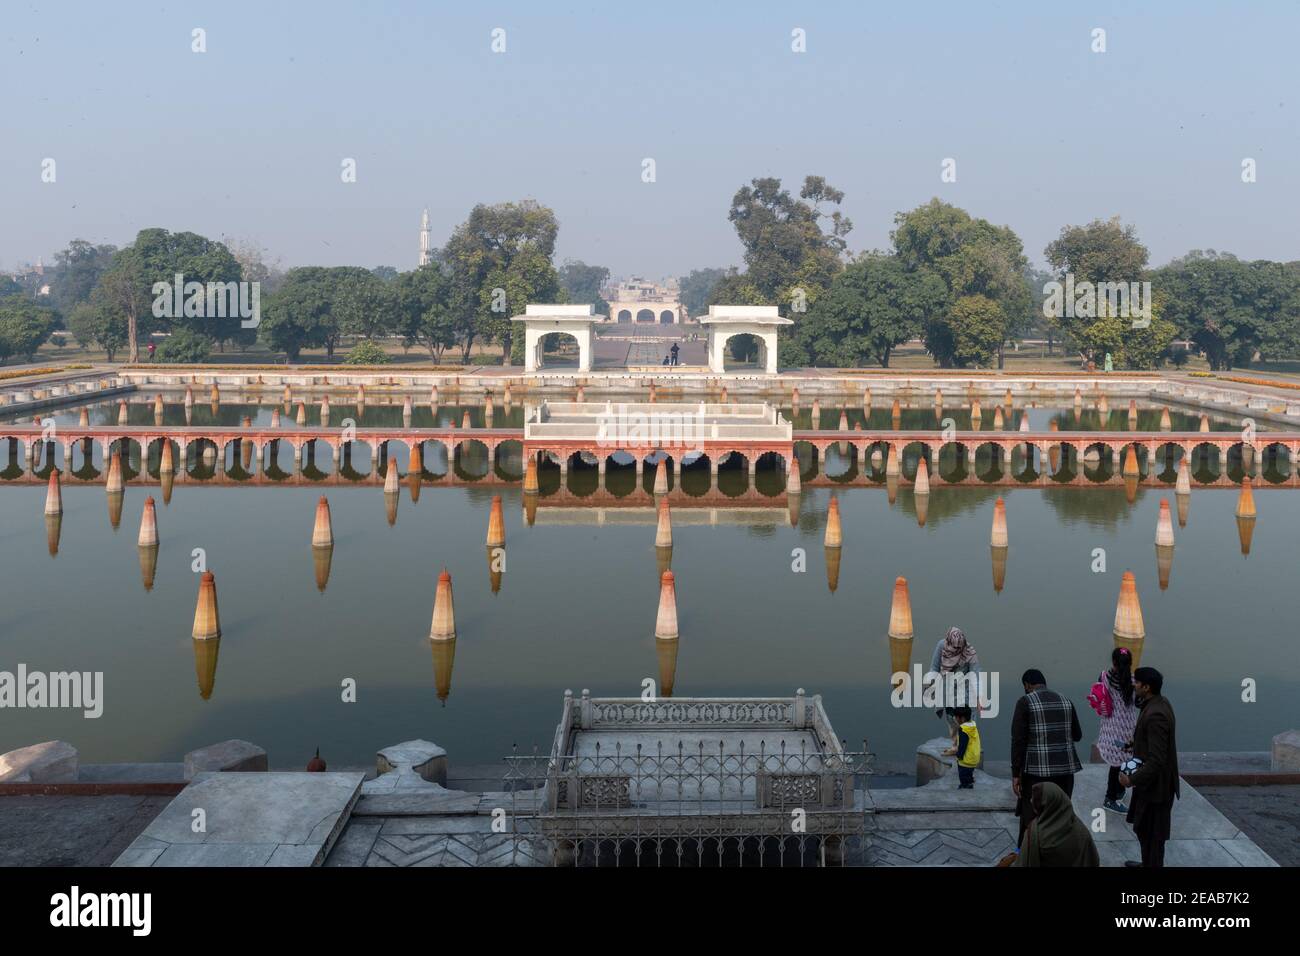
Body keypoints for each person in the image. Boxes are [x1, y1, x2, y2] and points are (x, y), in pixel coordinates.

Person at [1010, 669, 1083, 845]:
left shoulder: (1025, 702)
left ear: (1027, 685)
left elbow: (1018, 741)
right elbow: (1077, 735)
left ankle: (1028, 856)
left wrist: (1015, 774)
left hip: (1036, 774)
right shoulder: (1066, 701)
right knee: (1060, 816)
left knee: (1032, 819)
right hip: (1065, 774)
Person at [1120, 666, 1179, 868]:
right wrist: (1134, 744)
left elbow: (1157, 759)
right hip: (1152, 785)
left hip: (1157, 788)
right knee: (1145, 830)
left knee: (1153, 835)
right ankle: (1147, 864)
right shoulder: (1159, 703)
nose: (1134, 685)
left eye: (1137, 682)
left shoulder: (1156, 715)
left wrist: (1131, 780)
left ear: (1147, 687)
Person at [1012, 782, 1100, 867]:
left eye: (1035, 800)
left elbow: (1023, 863)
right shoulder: (1081, 830)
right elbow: (1093, 860)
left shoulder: (1035, 833)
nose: (1031, 801)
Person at [1094, 647, 1139, 813]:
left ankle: (1114, 794)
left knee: (1115, 764)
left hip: (1110, 728)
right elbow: (1139, 703)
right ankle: (1111, 797)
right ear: (1131, 663)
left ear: (1113, 661)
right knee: (1123, 761)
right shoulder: (1135, 681)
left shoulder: (1104, 677)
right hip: (1128, 728)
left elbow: (1098, 695)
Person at [930, 626, 980, 734]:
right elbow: (934, 667)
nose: (956, 650)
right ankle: (955, 744)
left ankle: (967, 747)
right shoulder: (941, 646)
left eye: (959, 648)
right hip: (948, 689)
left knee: (967, 723)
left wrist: (978, 697)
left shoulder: (969, 652)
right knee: (951, 717)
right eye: (954, 648)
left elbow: (975, 676)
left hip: (965, 691)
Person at [942, 705, 979, 789]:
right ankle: (969, 782)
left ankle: (965, 786)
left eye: (956, 717)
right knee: (969, 773)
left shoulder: (963, 729)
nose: (955, 719)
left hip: (965, 760)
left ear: (962, 718)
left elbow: (963, 744)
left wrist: (959, 756)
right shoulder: (973, 725)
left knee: (963, 776)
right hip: (974, 758)